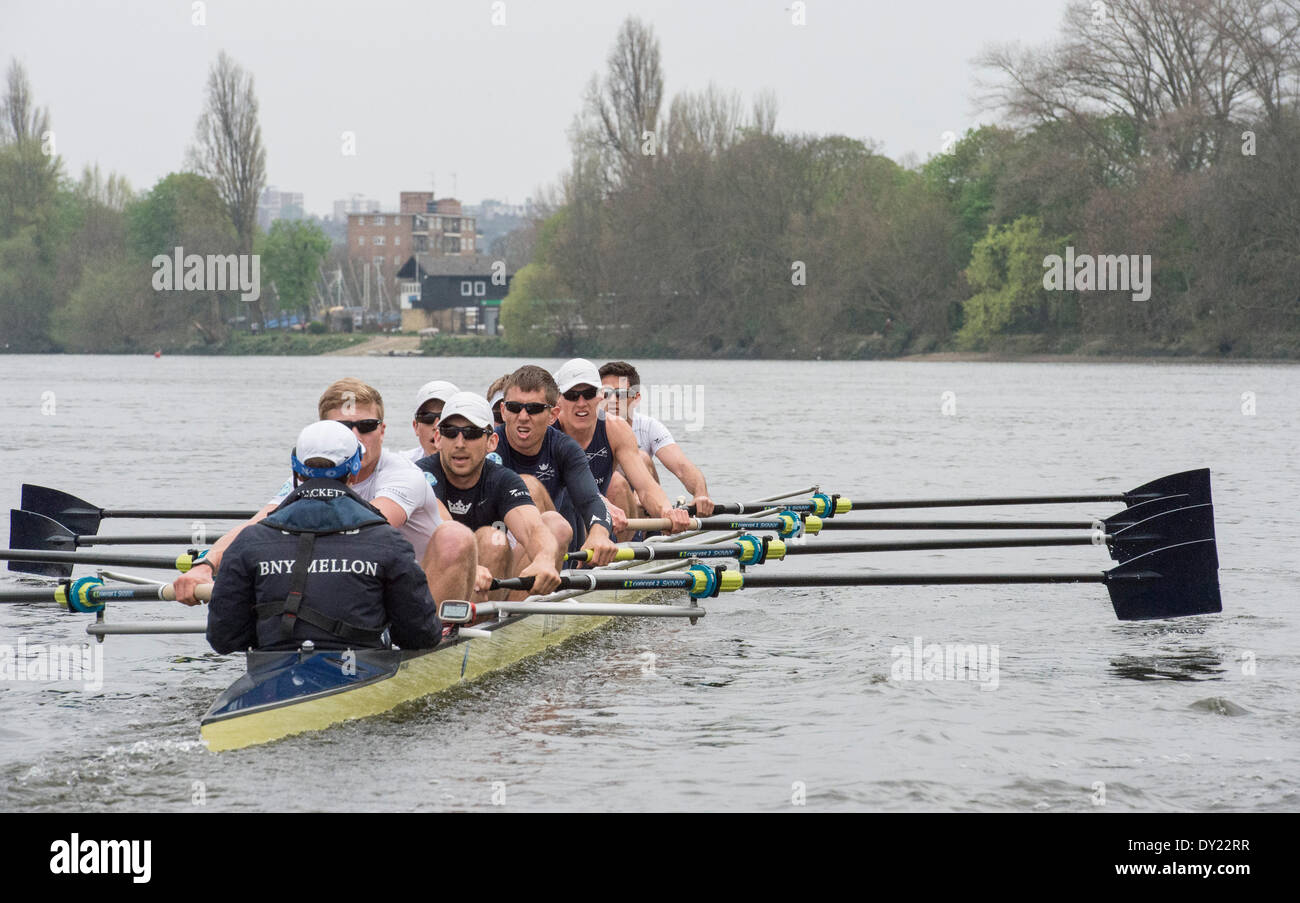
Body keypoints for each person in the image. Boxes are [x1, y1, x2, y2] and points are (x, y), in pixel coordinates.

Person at [173, 378, 477, 608]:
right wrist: (207, 564)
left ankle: (435, 641)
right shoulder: (306, 478)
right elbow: (259, 525)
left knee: (454, 534)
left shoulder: (403, 475)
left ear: (382, 431)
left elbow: (363, 532)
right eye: (343, 427)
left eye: (366, 426)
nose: (356, 437)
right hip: (363, 590)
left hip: (421, 600)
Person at [205, 420, 442, 654]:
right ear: (354, 469)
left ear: (297, 470)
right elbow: (421, 635)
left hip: (272, 669)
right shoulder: (388, 541)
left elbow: (224, 638)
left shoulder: (250, 540)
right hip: (360, 667)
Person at [415, 392, 563, 598]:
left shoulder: (503, 479)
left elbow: (533, 529)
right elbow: (446, 527)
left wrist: (544, 559)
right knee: (484, 539)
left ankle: (507, 613)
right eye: (451, 432)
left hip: (483, 581)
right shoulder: (420, 475)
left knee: (544, 528)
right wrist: (471, 567)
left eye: (472, 433)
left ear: (491, 442)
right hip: (424, 584)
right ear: (439, 438)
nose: (460, 443)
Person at [491, 365, 620, 565]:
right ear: (503, 411)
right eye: (514, 407)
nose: (523, 417)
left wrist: (599, 533)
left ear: (553, 415)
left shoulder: (564, 448)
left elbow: (591, 501)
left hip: (545, 544)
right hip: (494, 543)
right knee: (526, 486)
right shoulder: (484, 445)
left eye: (534, 409)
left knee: (545, 505)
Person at [552, 358, 691, 539]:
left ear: (600, 396)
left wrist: (666, 511)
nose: (581, 403)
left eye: (589, 394)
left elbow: (646, 487)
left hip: (595, 522)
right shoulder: (547, 430)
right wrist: (602, 504)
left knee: (619, 485)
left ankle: (623, 551)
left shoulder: (616, 429)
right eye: (572, 395)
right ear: (559, 400)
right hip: (555, 523)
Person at [599, 360, 714, 516]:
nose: (613, 400)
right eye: (606, 394)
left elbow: (681, 467)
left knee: (642, 458)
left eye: (620, 394)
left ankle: (652, 522)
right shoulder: (588, 428)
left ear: (636, 397)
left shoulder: (649, 427)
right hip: (603, 502)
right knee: (616, 482)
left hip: (642, 506)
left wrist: (700, 494)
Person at [402, 379, 459, 461]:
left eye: (444, 418)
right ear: (416, 427)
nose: (436, 426)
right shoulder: (403, 463)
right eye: (427, 417)